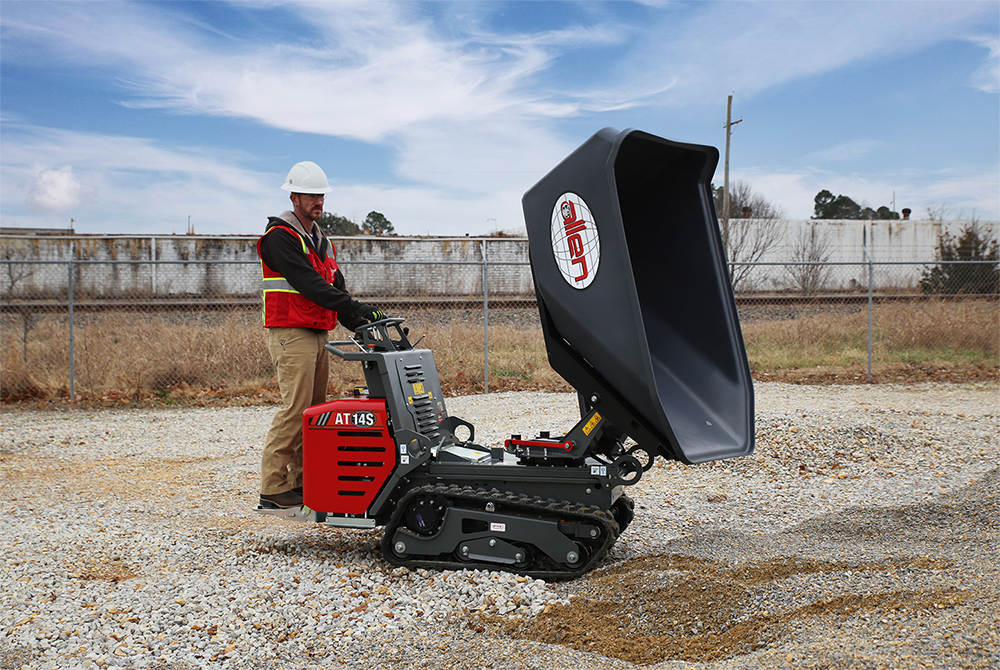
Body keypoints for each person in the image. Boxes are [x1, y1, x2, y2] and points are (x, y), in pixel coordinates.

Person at [256, 161, 384, 509]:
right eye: (312, 195)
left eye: (322, 195)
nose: (319, 202)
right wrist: (356, 306)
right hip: (291, 332)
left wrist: (364, 322)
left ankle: (300, 482)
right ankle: (272, 485)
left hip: (316, 332)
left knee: (314, 412)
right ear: (294, 196)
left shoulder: (321, 242)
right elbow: (311, 286)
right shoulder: (280, 238)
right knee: (295, 408)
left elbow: (335, 291)